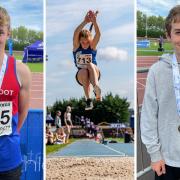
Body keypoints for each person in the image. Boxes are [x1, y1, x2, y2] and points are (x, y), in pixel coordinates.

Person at [141, 5, 180, 180]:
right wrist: (155, 155)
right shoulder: (157, 71)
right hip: (168, 160)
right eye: (178, 32)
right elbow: (149, 116)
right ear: (168, 35)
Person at [0, 6, 31, 180]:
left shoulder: (21, 71)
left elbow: (23, 111)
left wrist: (10, 133)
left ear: (8, 34)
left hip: (8, 160)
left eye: (0, 32)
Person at [73, 10, 101, 110]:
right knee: (84, 71)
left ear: (90, 41)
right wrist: (85, 21)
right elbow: (76, 33)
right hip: (81, 75)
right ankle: (88, 100)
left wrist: (94, 22)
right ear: (79, 41)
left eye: (87, 42)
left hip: (94, 73)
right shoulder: (76, 47)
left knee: (89, 65)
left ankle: (96, 88)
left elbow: (98, 34)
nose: (84, 44)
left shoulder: (92, 46)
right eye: (82, 42)